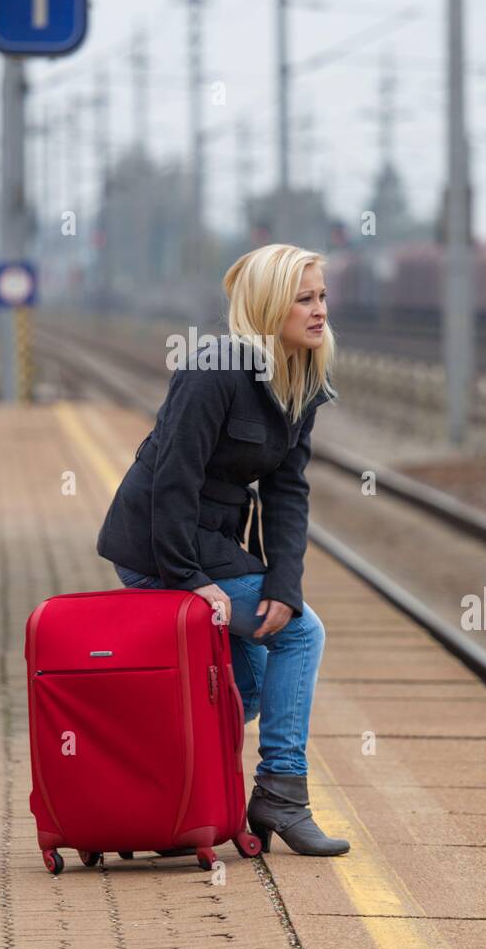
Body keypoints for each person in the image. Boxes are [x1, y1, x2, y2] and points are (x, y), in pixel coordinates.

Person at [96, 243, 350, 857]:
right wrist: (188, 579)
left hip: (214, 545)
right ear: (269, 305)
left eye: (321, 296)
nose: (320, 310)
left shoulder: (302, 378)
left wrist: (284, 587)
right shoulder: (214, 369)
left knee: (247, 689)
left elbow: (288, 494)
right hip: (160, 543)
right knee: (301, 635)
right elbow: (172, 479)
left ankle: (175, 805)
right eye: (304, 298)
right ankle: (281, 794)